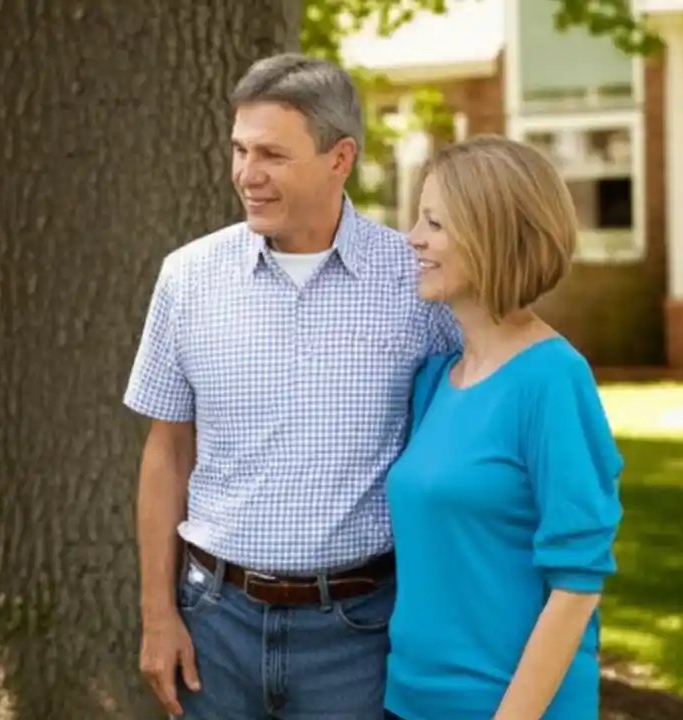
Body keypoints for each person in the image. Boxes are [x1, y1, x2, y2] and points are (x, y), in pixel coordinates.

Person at [123, 53, 460, 719]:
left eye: (272, 154)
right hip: (213, 624)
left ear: (340, 159)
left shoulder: (416, 283)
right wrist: (158, 616)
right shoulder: (188, 278)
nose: (247, 175)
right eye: (240, 150)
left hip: (360, 632)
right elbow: (166, 454)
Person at [383, 135, 624, 720]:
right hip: (407, 702)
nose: (412, 237)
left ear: (490, 235)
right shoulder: (436, 378)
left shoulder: (552, 379)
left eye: (434, 223)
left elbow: (577, 584)